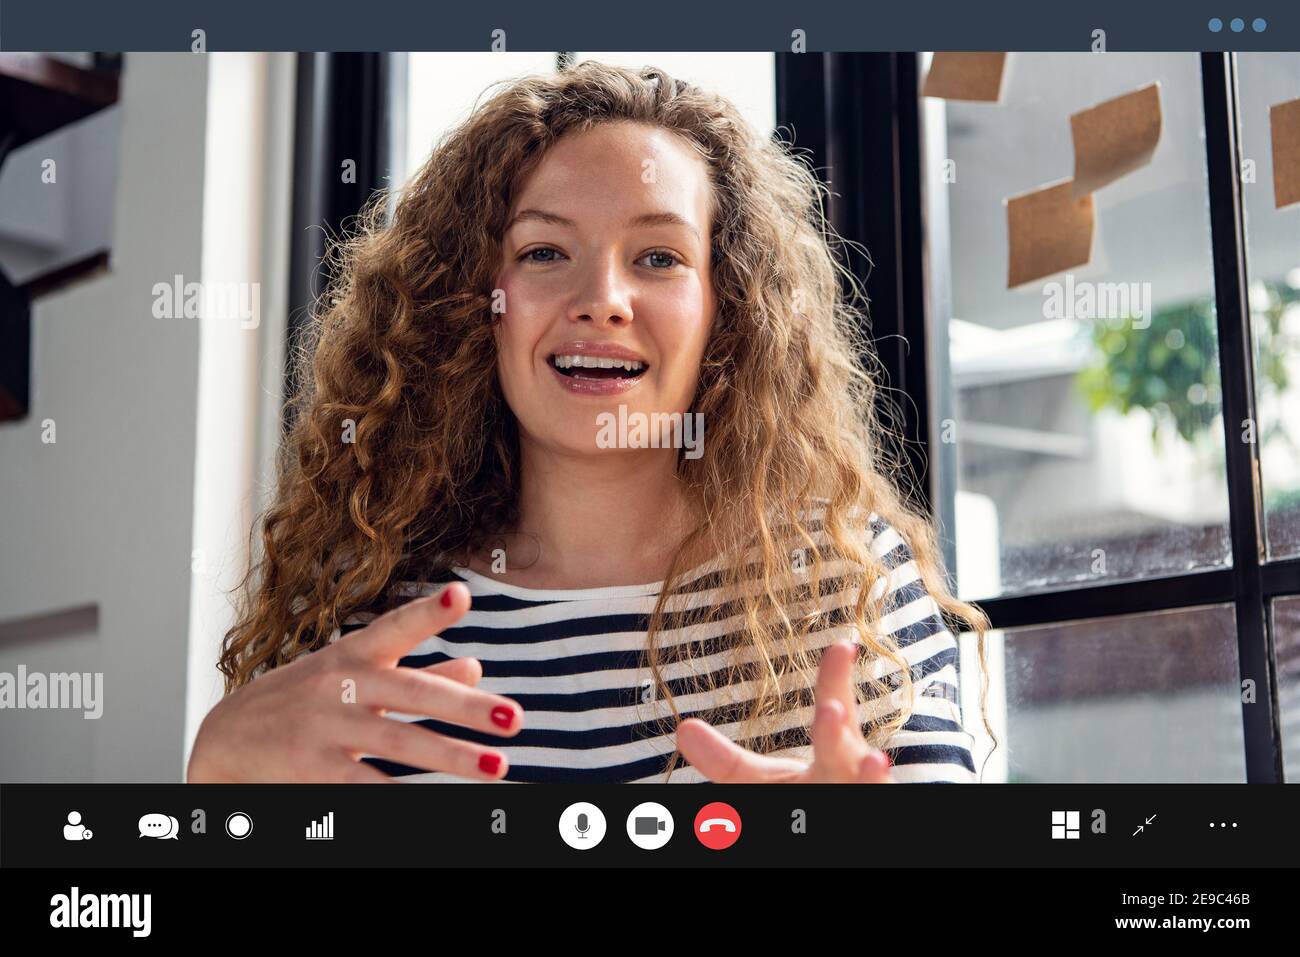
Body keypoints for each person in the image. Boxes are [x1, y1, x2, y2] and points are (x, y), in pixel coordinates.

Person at [187, 61, 996, 785]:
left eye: (658, 257)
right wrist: (216, 773)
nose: (602, 298)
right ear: (476, 303)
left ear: (728, 310)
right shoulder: (366, 621)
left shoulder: (848, 585)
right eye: (543, 252)